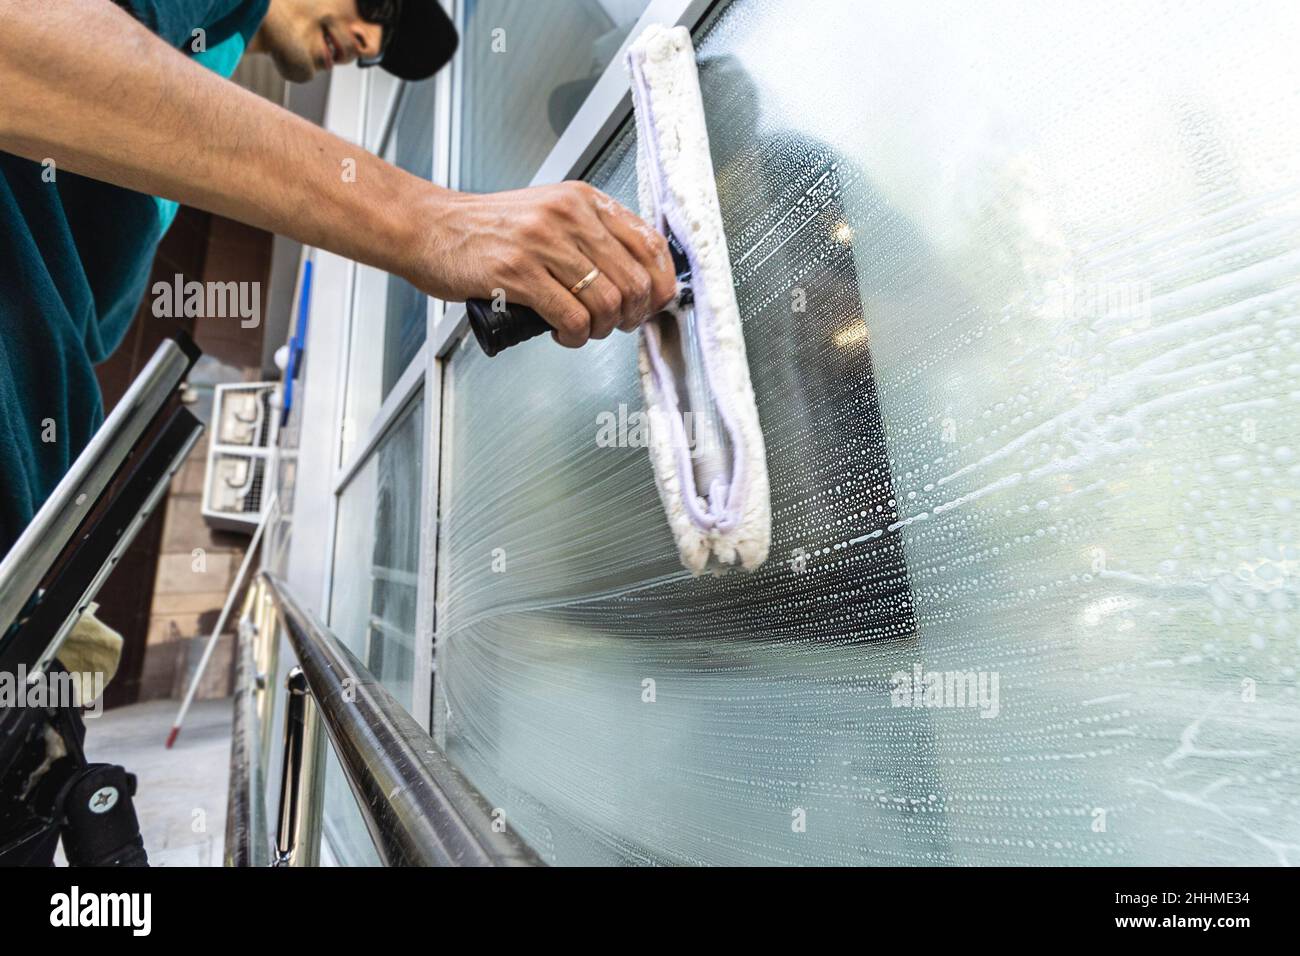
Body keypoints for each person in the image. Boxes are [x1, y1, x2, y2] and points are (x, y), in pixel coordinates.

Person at [0, 0, 677, 561]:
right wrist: (433, 223)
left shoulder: (208, 51)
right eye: (376, 3)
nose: (368, 40)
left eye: (380, 44)